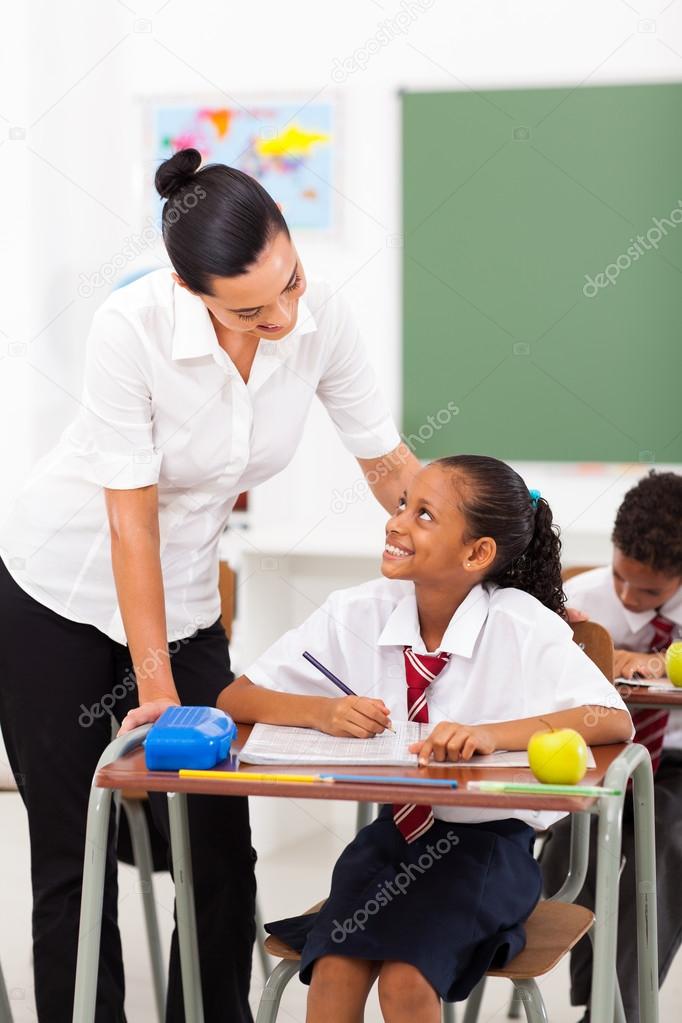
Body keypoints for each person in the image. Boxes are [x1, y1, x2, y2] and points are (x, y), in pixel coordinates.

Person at [0, 148, 418, 1022]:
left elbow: (385, 462)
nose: (286, 314)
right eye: (253, 308)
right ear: (193, 291)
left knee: (222, 848)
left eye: (292, 282)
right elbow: (130, 521)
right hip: (57, 592)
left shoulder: (320, 317)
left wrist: (462, 529)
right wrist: (155, 692)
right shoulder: (132, 328)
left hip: (184, 598)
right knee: (74, 851)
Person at [211, 455, 633, 1021]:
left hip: (487, 851)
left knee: (407, 980)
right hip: (390, 843)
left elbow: (609, 718)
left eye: (425, 514)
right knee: (332, 973)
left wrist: (489, 734)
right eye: (404, 502)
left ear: (477, 554)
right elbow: (235, 698)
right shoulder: (359, 610)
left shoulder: (518, 622)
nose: (397, 520)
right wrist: (320, 710)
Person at [541, 470, 682, 1023]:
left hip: (672, 764)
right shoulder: (579, 602)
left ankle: (612, 1012)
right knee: (574, 837)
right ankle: (604, 1001)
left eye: (648, 590)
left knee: (668, 839)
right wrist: (603, 660)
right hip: (596, 759)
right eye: (621, 575)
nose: (627, 596)